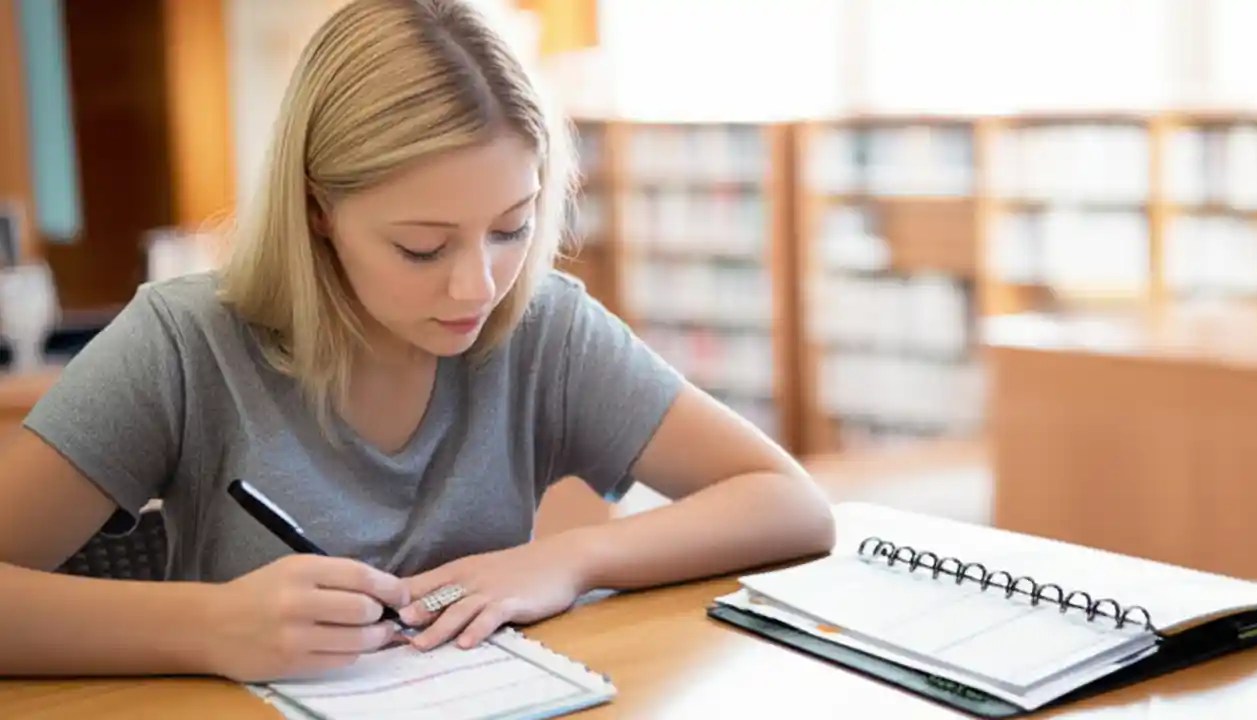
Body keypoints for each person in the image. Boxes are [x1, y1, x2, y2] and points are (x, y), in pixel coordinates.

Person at [0, 0, 834, 683]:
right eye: (422, 247)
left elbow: (788, 503)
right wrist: (210, 625)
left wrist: (574, 559)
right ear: (317, 209)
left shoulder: (543, 328)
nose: (478, 285)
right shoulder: (181, 345)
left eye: (511, 229)